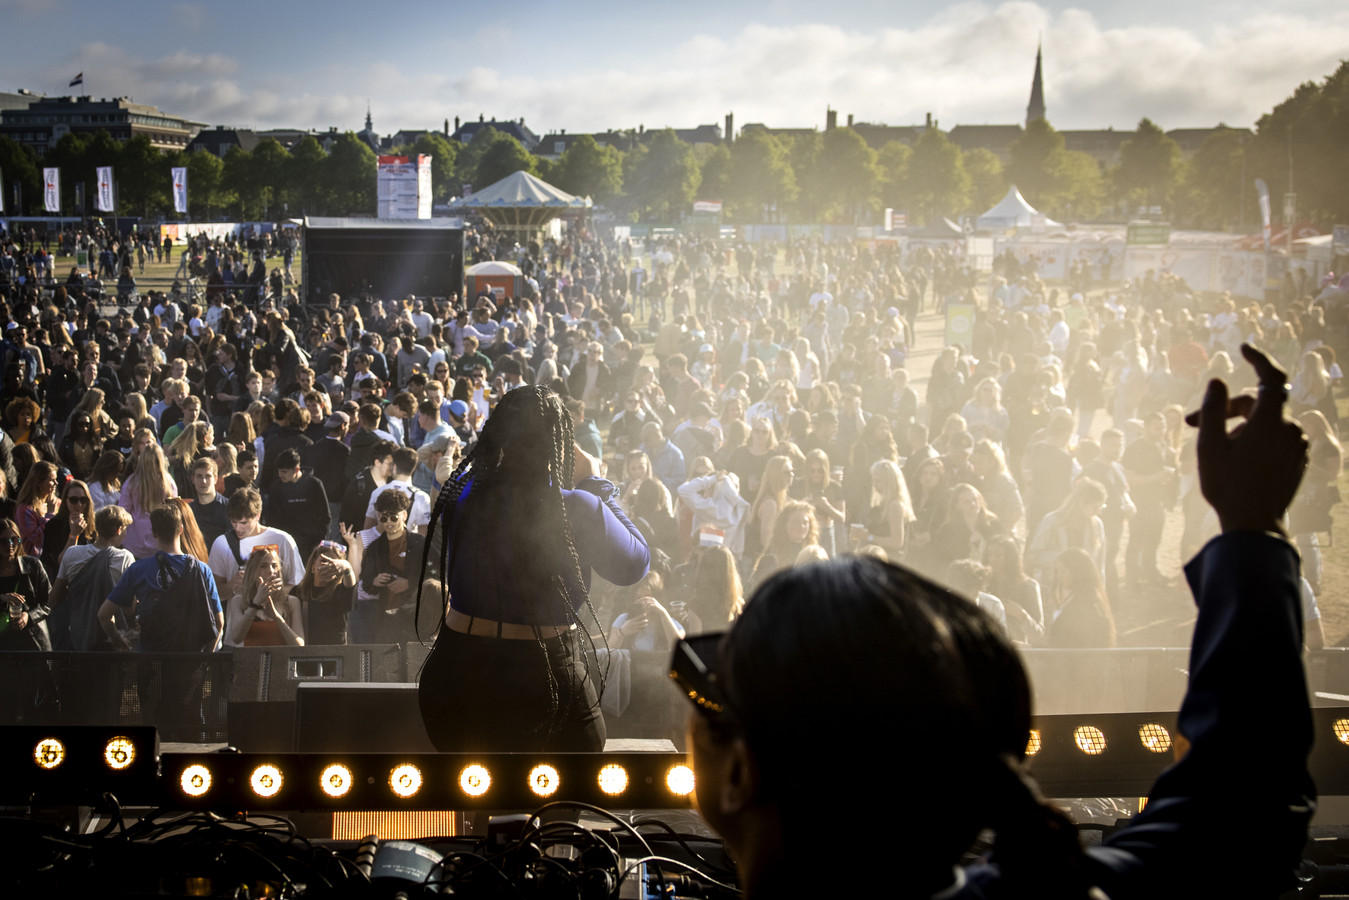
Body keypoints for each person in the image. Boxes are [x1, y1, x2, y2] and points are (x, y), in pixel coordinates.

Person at [675, 343, 1313, 899]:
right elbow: (1241, 808)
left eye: (713, 688)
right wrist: (1254, 524)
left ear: (737, 778)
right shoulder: (1061, 887)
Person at [417, 385, 649, 753]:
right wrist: (596, 484)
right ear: (559, 444)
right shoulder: (576, 506)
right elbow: (633, 565)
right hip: (546, 678)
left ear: (498, 437)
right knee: (565, 792)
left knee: (476, 791)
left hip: (458, 672)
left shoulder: (462, 494)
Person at [224, 546, 306, 648]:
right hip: (250, 661)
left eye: (274, 566)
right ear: (253, 571)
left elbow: (299, 646)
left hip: (282, 662)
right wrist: (255, 605)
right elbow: (236, 638)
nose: (271, 571)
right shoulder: (239, 601)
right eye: (264, 566)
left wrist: (277, 617)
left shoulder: (291, 602)